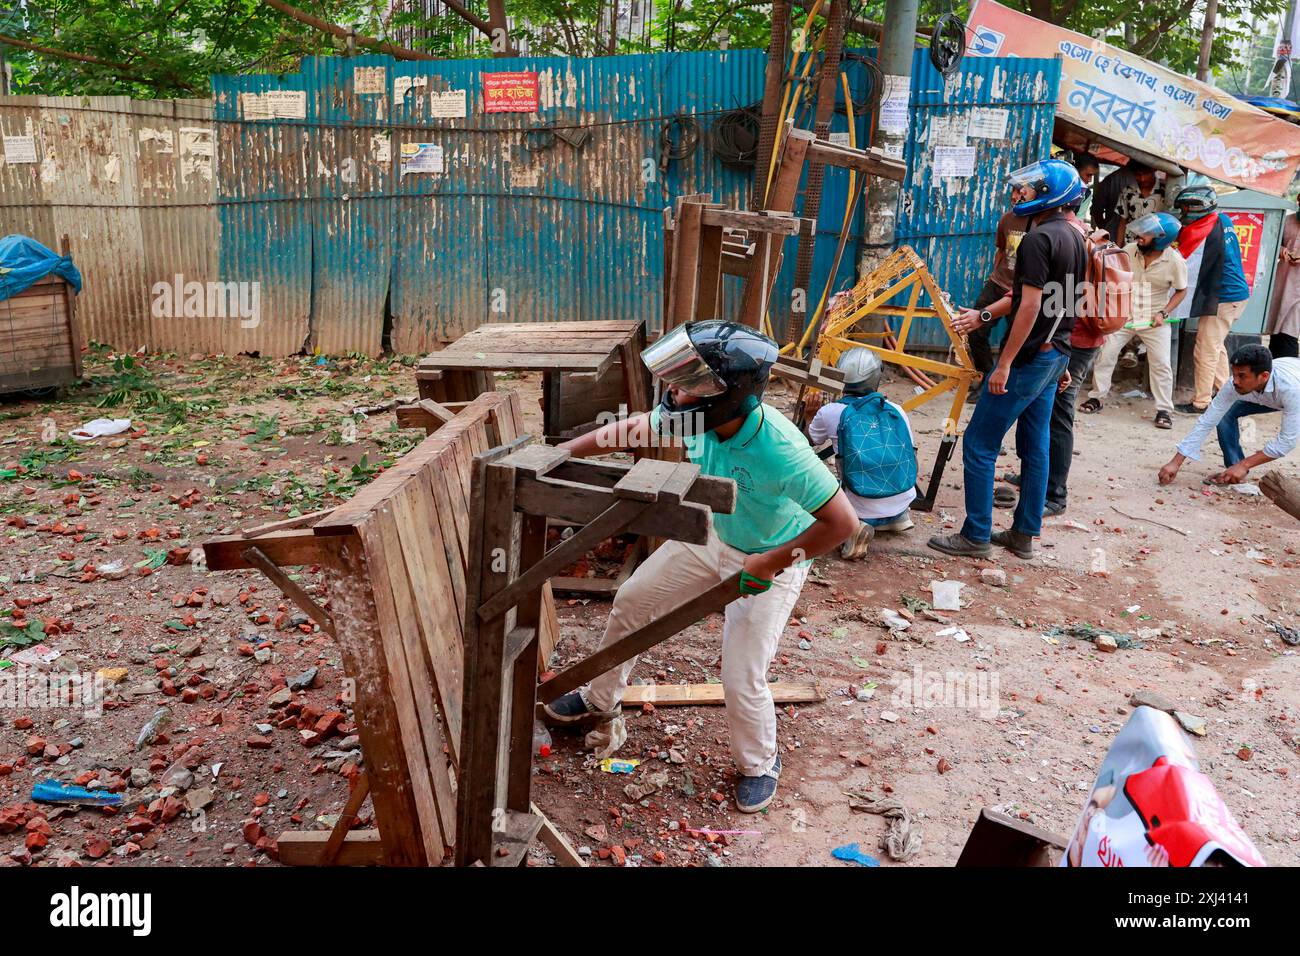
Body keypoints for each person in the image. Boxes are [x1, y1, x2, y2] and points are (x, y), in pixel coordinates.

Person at [542, 320, 858, 813]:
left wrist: (773, 562)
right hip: (714, 537)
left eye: (688, 383)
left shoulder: (782, 451)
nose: (673, 391)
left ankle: (759, 763)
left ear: (725, 394)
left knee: (741, 674)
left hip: (774, 554)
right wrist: (557, 453)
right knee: (632, 600)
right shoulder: (698, 416)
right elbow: (631, 429)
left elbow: (842, 523)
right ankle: (600, 698)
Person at [931, 159, 1086, 561]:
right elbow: (1065, 299)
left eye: (1027, 190)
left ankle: (975, 535)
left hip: (1031, 359)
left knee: (980, 444)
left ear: (1049, 194)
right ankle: (1023, 535)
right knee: (1036, 447)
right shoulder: (1074, 236)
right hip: (1054, 356)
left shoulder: (1037, 240)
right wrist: (1060, 358)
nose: (1018, 195)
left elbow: (1031, 304)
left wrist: (1004, 364)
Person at [806, 348, 917, 559]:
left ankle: (853, 528)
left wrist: (809, 416)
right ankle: (896, 516)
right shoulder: (896, 409)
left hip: (861, 503)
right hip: (904, 495)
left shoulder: (830, 412)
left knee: (821, 487)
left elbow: (807, 443)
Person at [1083, 212, 1187, 429]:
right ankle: (1097, 397)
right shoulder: (1129, 251)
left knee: (1161, 364)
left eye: (1146, 235)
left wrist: (1164, 314)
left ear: (1161, 239)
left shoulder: (1175, 262)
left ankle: (1164, 411)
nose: (1139, 237)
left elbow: (1181, 291)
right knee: (1106, 354)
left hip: (1154, 320)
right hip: (1124, 316)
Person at [1158, 345, 1299, 486]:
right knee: (1225, 414)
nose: (1235, 381)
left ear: (1263, 376)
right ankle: (1234, 471)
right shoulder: (1235, 384)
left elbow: (1286, 442)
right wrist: (1175, 462)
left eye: (1242, 376)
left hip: (1291, 392)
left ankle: (1240, 467)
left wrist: (1245, 464)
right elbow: (1208, 419)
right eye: (1234, 374)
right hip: (1269, 395)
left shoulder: (1291, 390)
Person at [1171, 184, 1251, 414]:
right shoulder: (1223, 220)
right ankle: (1229, 393)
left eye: (1186, 207)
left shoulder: (1200, 231)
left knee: (1205, 350)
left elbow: (1180, 258)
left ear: (1198, 207)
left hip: (1225, 298)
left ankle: (1202, 402)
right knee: (1216, 347)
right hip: (1235, 295)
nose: (1184, 212)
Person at [966, 202, 1031, 390]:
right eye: (1015, 192)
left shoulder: (1041, 223)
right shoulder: (1007, 219)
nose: (1018, 197)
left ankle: (1002, 381)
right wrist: (994, 274)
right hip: (998, 284)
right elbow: (1001, 250)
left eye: (1022, 191)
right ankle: (985, 376)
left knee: (1012, 340)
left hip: (1021, 292)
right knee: (975, 330)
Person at [1266, 210, 1300, 360]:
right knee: (1277, 331)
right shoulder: (1286, 220)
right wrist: (1281, 250)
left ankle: (1288, 376)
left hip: (1298, 290)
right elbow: (1270, 241)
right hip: (1282, 283)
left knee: (1289, 331)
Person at [1111, 161, 1164, 246]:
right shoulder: (1127, 192)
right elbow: (1122, 221)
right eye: (1138, 175)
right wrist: (1118, 247)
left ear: (1154, 169)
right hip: (1131, 244)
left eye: (1146, 174)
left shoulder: (1165, 191)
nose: (1142, 178)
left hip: (1155, 245)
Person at [1091, 163, 1136, 239]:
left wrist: (1104, 230)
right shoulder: (1113, 179)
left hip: (1113, 235)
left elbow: (1096, 210)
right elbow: (1096, 210)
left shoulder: (1112, 178)